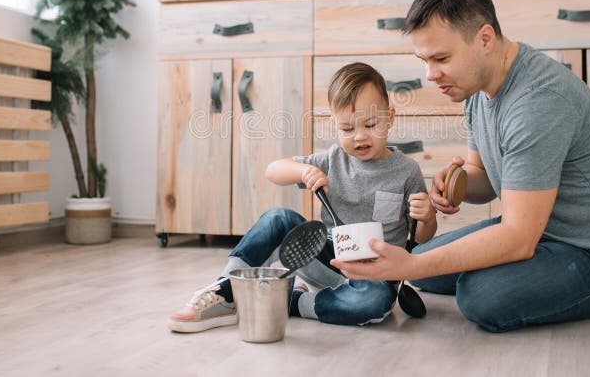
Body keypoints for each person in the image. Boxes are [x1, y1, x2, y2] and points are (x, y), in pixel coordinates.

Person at [332, 0, 590, 333]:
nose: (430, 74)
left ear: (485, 38)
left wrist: (406, 268)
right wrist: (455, 184)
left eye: (441, 58)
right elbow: (482, 178)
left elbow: (517, 236)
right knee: (423, 259)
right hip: (544, 231)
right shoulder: (474, 86)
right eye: (424, 60)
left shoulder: (537, 102)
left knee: (477, 296)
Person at [168, 62, 435, 332]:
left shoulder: (407, 171)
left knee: (372, 303)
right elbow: (273, 170)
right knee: (278, 218)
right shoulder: (332, 160)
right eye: (347, 129)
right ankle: (227, 290)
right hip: (327, 259)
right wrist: (304, 171)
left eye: (370, 124)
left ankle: (290, 302)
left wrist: (426, 216)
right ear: (335, 125)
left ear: (390, 117)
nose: (359, 136)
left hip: (377, 277)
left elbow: (422, 238)